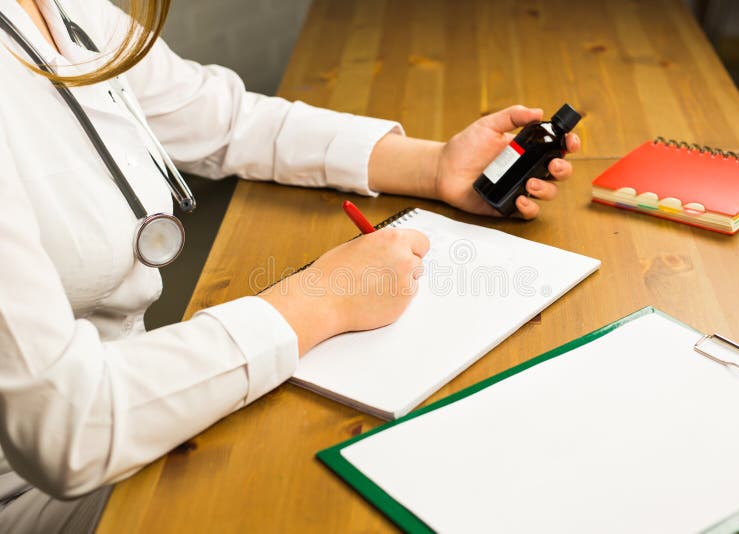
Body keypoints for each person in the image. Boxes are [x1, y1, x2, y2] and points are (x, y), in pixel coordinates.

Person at [0, 0, 580, 530]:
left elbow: (226, 120)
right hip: (38, 491)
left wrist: (433, 167)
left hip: (143, 400)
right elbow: (65, 426)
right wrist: (320, 299)